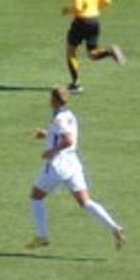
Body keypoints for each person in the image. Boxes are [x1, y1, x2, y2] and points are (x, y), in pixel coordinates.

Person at [27, 85, 125, 250]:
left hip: (58, 166)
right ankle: (114, 227)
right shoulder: (69, 115)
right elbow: (62, 134)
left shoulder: (59, 118)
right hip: (73, 165)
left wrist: (51, 151)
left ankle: (42, 236)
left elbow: (68, 140)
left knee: (36, 197)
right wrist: (47, 134)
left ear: (53, 100)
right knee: (85, 202)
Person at [62, 0, 125, 93]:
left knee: (71, 50)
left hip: (81, 21)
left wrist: (68, 10)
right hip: (94, 20)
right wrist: (94, 8)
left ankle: (76, 84)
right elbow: (107, 1)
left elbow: (78, 7)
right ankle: (109, 52)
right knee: (92, 54)